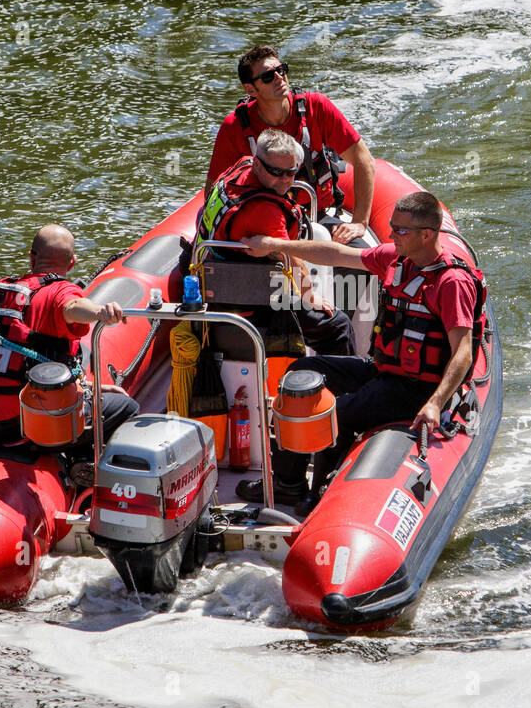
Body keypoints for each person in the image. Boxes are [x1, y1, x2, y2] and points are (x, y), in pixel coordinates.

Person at [234, 192, 485, 506]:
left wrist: (435, 403)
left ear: (427, 234)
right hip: (381, 371)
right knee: (300, 373)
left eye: (401, 230)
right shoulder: (397, 258)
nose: (392, 235)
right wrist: (275, 245)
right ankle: (288, 482)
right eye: (392, 227)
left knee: (336, 414)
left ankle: (320, 492)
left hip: (417, 390)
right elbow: (334, 254)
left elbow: (463, 352)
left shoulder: (452, 283)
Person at [0, 224, 139, 476]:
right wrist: (99, 312)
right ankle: (81, 462)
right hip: (28, 425)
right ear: (72, 263)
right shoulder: (62, 290)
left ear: (32, 257)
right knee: (126, 407)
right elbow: (73, 306)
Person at [197, 128, 355, 356]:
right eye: (276, 172)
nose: (285, 181)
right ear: (258, 165)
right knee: (337, 325)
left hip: (218, 280)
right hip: (252, 300)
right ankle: (341, 384)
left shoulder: (242, 166)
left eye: (291, 173)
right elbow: (293, 259)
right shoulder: (265, 212)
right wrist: (311, 296)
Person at [207, 45, 376, 245]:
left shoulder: (317, 107)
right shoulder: (234, 126)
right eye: (268, 76)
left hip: (314, 217)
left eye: (281, 70)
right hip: (260, 219)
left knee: (360, 261)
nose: (279, 77)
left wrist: (359, 223)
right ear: (250, 89)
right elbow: (214, 188)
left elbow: (364, 159)